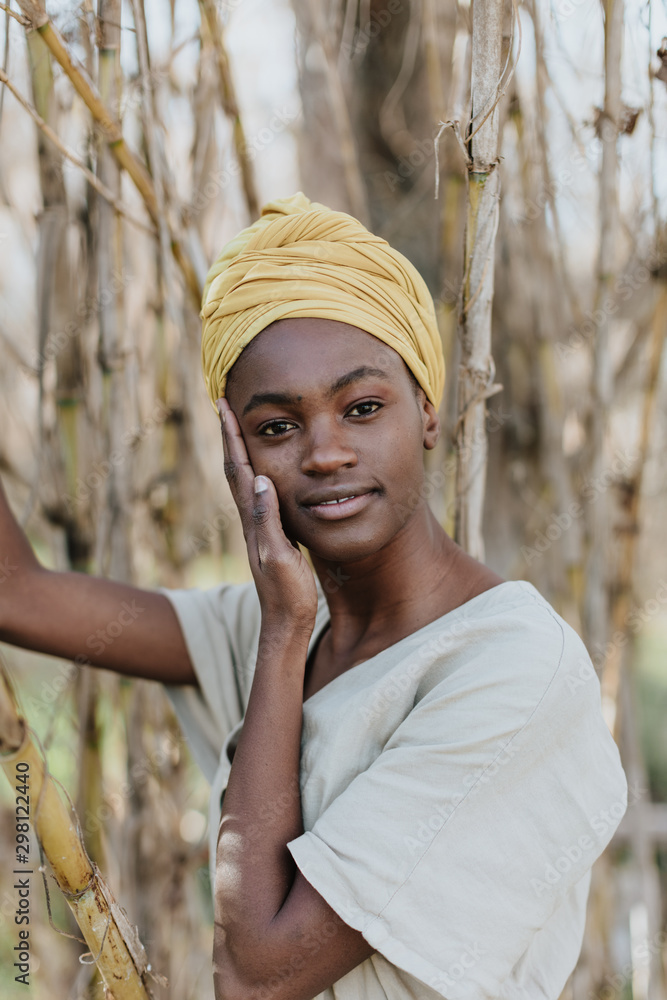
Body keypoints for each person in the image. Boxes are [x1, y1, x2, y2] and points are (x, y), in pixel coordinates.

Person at [0, 192, 627, 1000]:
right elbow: (18, 594)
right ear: (235, 455)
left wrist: (283, 633)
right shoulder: (291, 623)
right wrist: (287, 627)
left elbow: (256, 975)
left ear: (426, 412)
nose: (326, 453)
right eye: (276, 427)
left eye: (362, 409)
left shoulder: (509, 669)